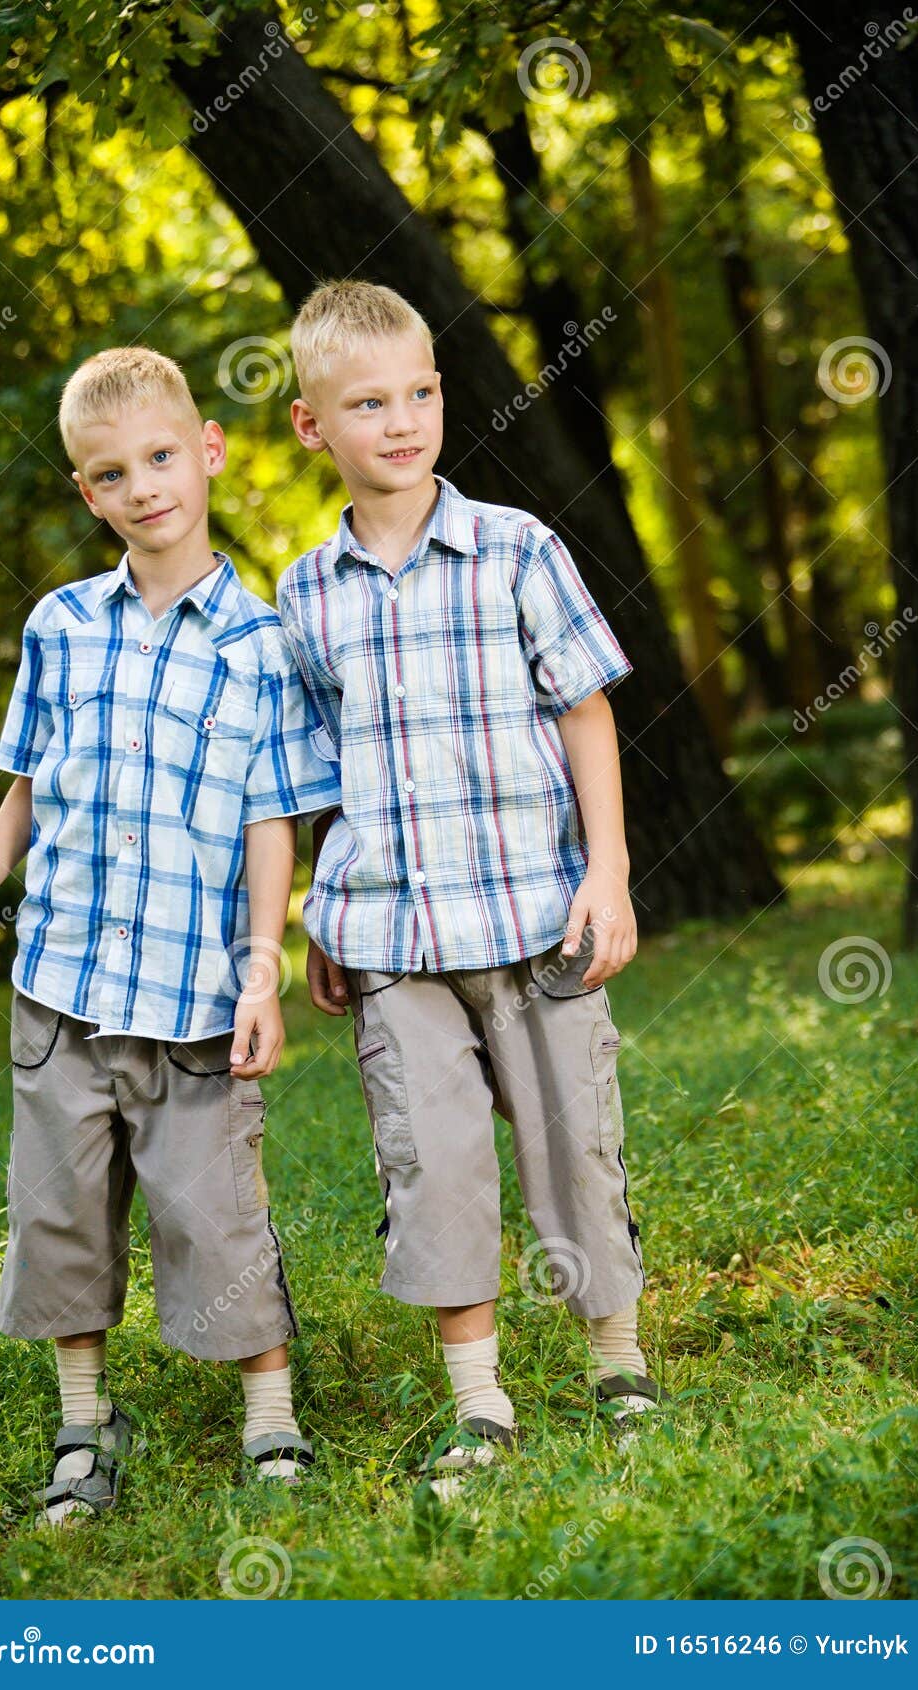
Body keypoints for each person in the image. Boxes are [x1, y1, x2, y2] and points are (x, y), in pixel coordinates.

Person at [0, 346, 341, 1519]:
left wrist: (261, 972)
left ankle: (271, 1417)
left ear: (206, 450)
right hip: (60, 984)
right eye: (112, 472)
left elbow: (272, 821)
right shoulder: (60, 626)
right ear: (88, 493)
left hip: (194, 996)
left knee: (214, 1209)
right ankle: (81, 1425)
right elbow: (26, 782)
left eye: (162, 456)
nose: (144, 484)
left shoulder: (261, 646)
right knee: (60, 1212)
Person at [276, 281, 662, 1474]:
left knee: (571, 1140)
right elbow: (312, 778)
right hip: (393, 936)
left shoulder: (514, 548)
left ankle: (615, 1363)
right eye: (368, 403)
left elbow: (584, 711)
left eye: (421, 394)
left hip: (534, 913)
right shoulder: (303, 595)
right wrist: (317, 918)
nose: (402, 421)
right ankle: (479, 1399)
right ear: (311, 426)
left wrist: (608, 869)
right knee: (430, 1157)